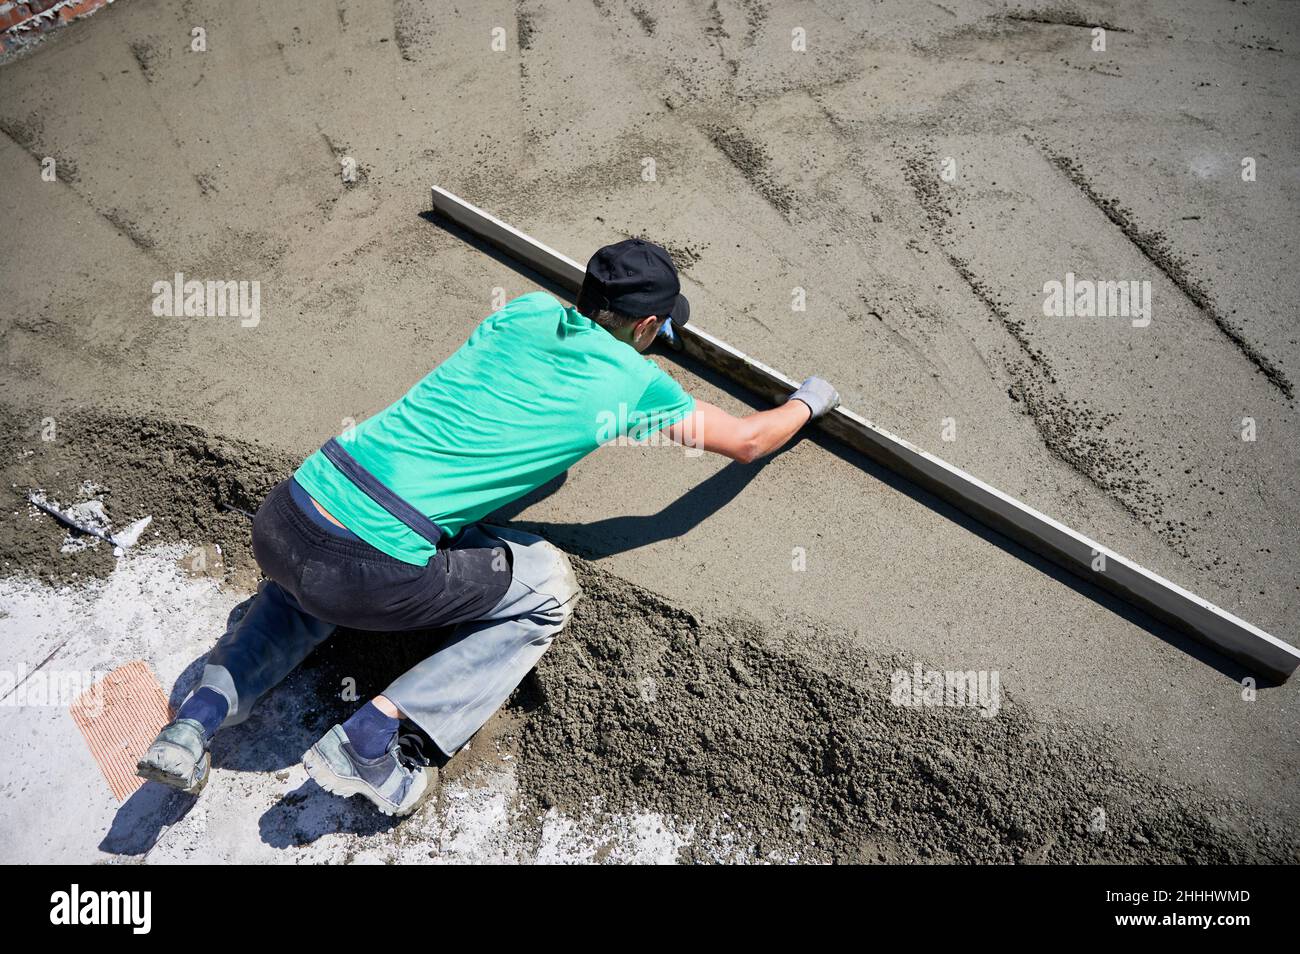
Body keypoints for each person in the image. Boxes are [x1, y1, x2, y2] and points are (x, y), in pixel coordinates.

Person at [137, 238, 839, 815]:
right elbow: (748, 441)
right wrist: (809, 402)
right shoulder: (633, 380)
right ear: (649, 329)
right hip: (366, 570)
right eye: (662, 328)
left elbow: (485, 399)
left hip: (291, 511)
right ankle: (378, 737)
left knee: (303, 589)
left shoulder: (526, 311)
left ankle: (195, 718)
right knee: (545, 589)